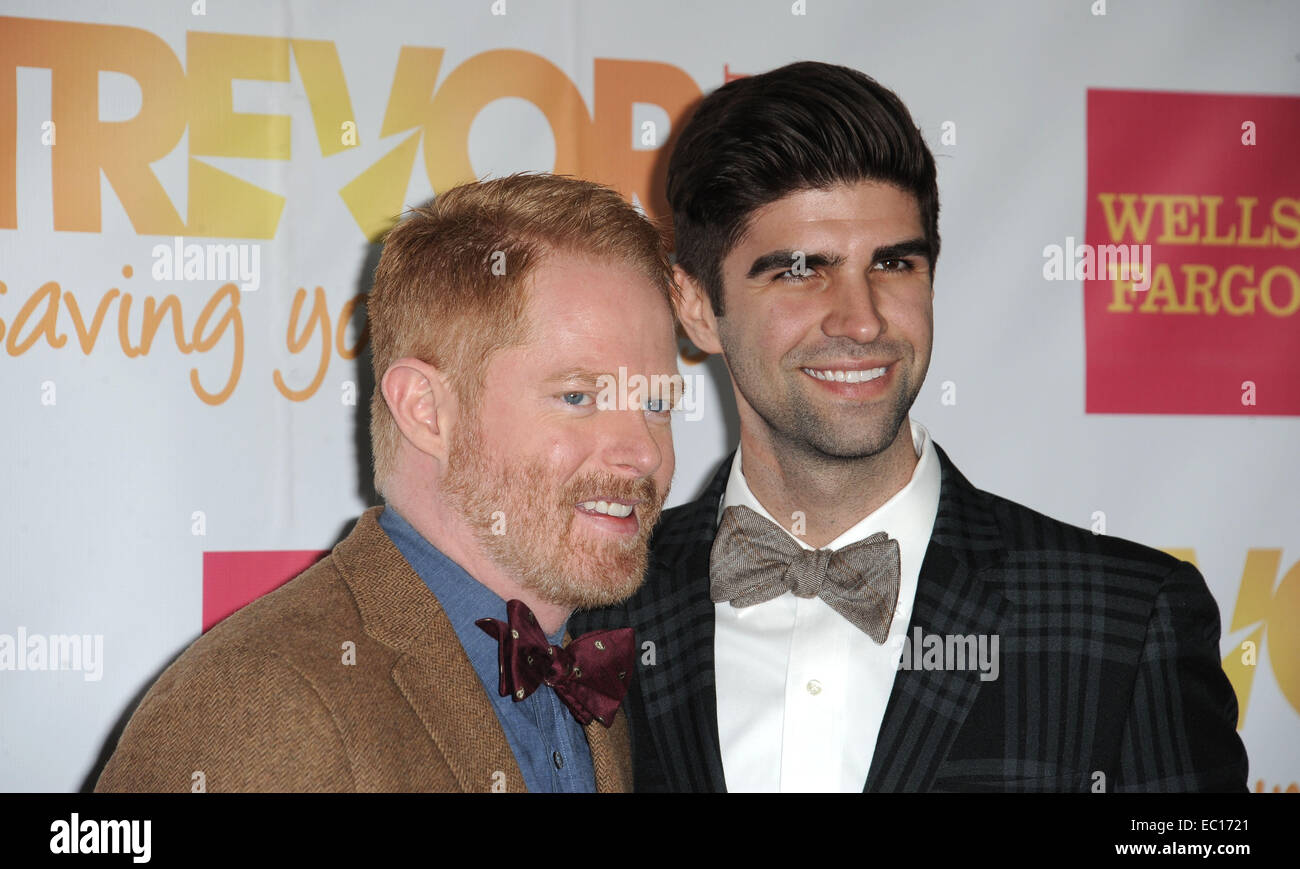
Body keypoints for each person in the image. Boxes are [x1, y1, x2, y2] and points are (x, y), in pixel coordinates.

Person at [574, 62, 1249, 792]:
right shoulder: (596, 608)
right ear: (700, 307)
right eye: (801, 272)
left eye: (894, 263)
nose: (861, 318)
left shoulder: (1123, 617)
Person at [96, 173, 680, 792]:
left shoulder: (594, 688)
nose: (644, 451)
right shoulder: (256, 707)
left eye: (657, 403)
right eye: (577, 395)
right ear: (426, 410)